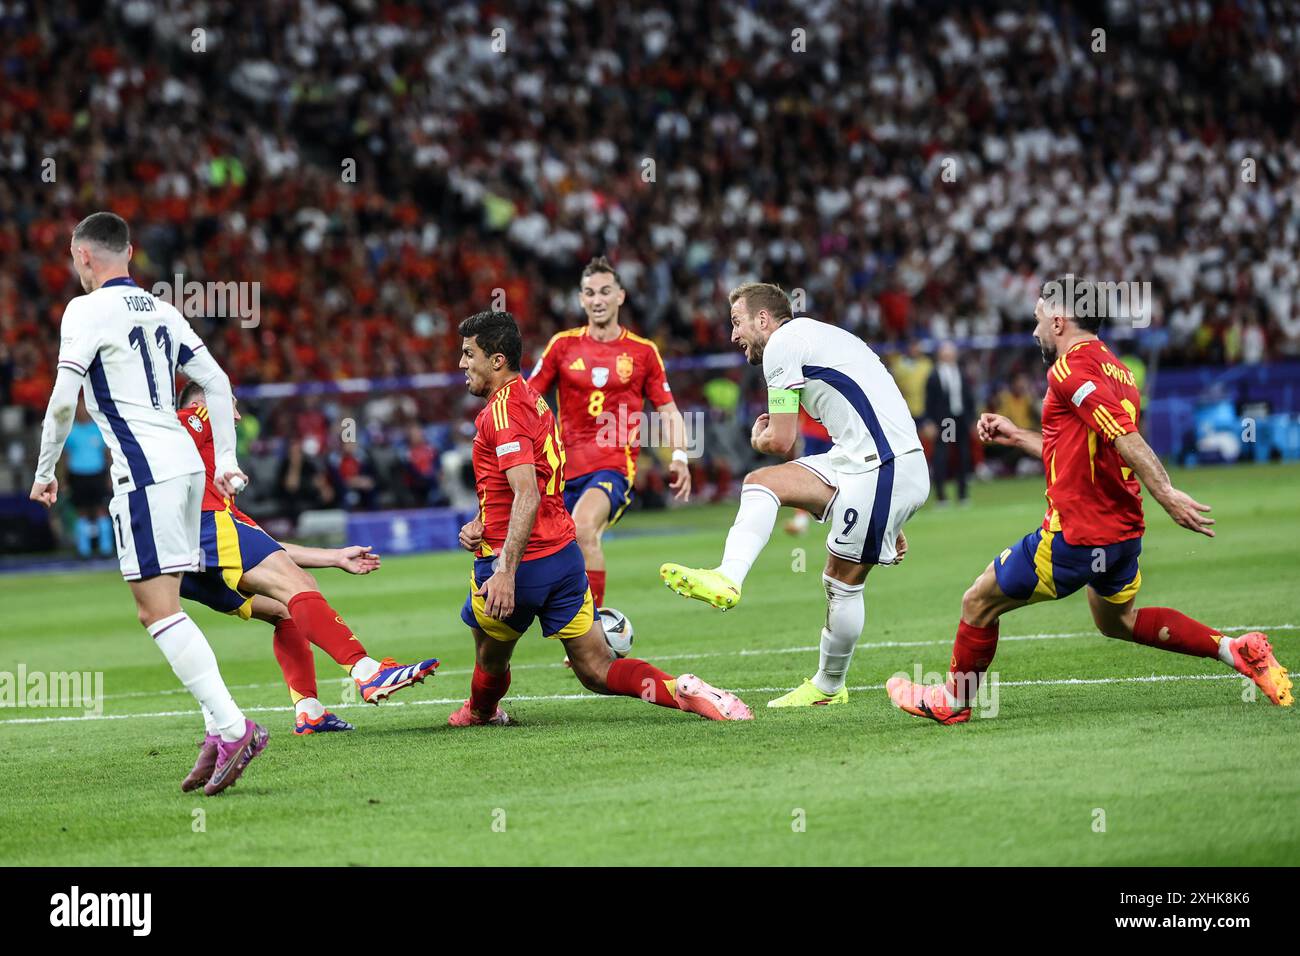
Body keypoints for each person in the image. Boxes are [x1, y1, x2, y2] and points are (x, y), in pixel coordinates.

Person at [886, 278, 1292, 723]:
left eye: (1039, 319)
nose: (1035, 330)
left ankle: (953, 701)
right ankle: (1235, 650)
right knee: (1118, 621)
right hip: (1122, 536)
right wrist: (1016, 434)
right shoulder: (1118, 372)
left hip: (1077, 535)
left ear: (1059, 320)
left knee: (978, 601)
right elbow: (1083, 448)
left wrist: (1168, 494)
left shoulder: (1067, 372)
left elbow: (1125, 437)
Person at [29, 211, 264, 795]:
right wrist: (228, 459)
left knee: (155, 610)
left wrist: (44, 471)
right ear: (128, 253)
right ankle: (217, 730)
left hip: (144, 474)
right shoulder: (163, 309)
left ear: (83, 256)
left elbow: (63, 403)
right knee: (171, 603)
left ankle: (234, 727)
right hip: (188, 466)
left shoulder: (85, 310)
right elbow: (217, 382)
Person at [450, 310, 752, 726]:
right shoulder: (535, 401)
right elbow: (523, 487)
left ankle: (479, 711)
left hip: (516, 563)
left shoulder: (499, 414)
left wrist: (504, 571)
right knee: (597, 667)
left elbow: (526, 493)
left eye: (469, 354)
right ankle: (681, 691)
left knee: (489, 655)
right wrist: (481, 519)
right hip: (563, 558)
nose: (462, 364)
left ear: (497, 360)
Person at [660, 282, 930, 707]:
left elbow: (782, 439)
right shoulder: (820, 335)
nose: (733, 336)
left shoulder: (783, 344)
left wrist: (759, 438)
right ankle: (727, 577)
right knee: (762, 484)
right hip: (865, 462)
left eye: (737, 322)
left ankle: (828, 687)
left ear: (763, 320)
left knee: (841, 582)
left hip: (883, 466)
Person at [175, 382, 440, 740]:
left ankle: (309, 712)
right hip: (203, 530)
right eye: (231, 406)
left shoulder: (216, 494)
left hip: (183, 558)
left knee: (285, 609)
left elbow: (268, 548)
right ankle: (367, 671)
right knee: (299, 586)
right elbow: (167, 436)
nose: (236, 416)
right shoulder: (197, 417)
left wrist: (334, 557)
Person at [526, 256, 690, 608]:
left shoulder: (643, 352)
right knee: (551, 550)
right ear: (581, 299)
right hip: (559, 471)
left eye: (604, 291)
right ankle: (568, 628)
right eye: (589, 293)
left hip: (612, 467)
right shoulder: (562, 346)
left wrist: (679, 457)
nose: (597, 299)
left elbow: (669, 411)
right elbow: (526, 398)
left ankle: (595, 630)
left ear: (621, 296)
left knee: (583, 528)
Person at [923, 341, 975, 504]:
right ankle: (941, 495)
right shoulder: (935, 374)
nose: (949, 355)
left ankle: (962, 493)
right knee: (943, 456)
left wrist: (972, 418)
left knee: (963, 455)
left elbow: (968, 397)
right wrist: (930, 421)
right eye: (946, 352)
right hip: (947, 421)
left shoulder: (960, 372)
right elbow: (930, 401)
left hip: (961, 419)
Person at [63, 398, 114, 558]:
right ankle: (84, 550)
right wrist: (64, 480)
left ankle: (106, 548)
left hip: (97, 474)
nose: (82, 411)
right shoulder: (71, 431)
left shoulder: (99, 429)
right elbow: (65, 457)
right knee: (82, 512)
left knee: (101, 510)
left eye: (84, 408)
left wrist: (110, 476)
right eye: (79, 408)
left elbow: (108, 455)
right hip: (77, 476)